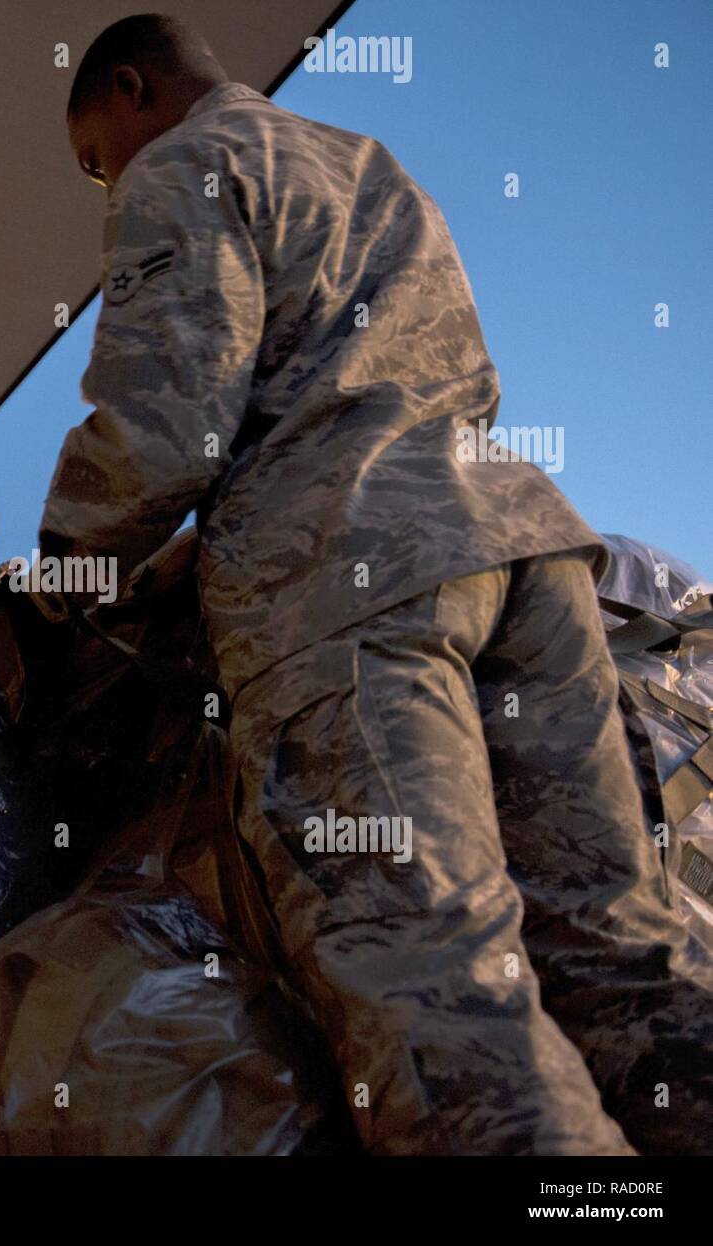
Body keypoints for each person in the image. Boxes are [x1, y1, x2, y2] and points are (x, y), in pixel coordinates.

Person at [38, 14, 713, 1154]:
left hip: (346, 584)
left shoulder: (184, 165)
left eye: (96, 157)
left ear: (132, 88)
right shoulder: (365, 163)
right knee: (616, 946)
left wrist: (61, 572)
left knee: (433, 970)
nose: (106, 180)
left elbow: (167, 426)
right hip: (515, 550)